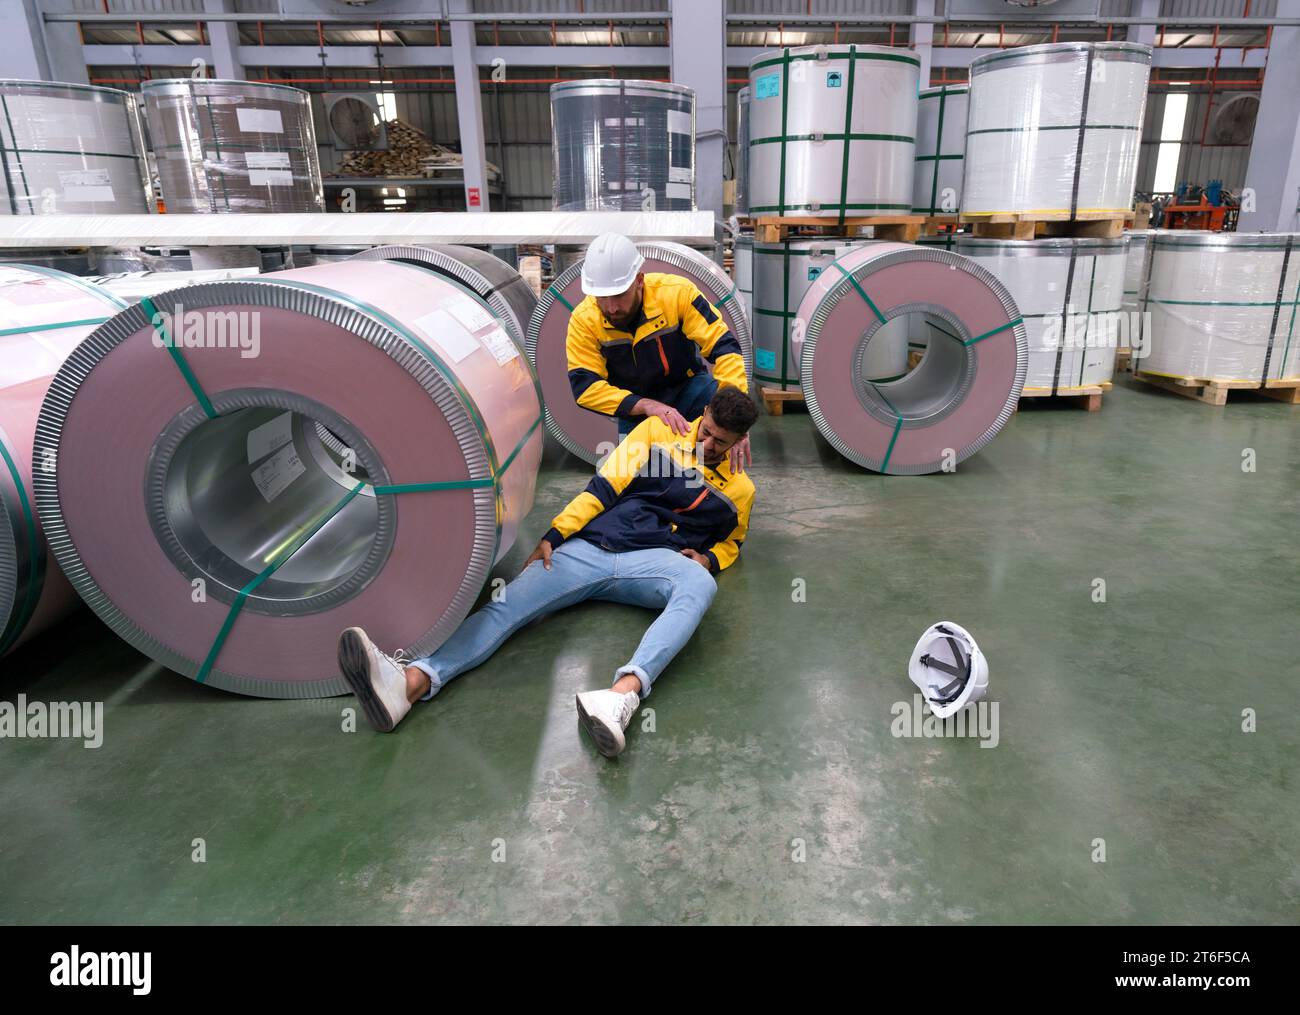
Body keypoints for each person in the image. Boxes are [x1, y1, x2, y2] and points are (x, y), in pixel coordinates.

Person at [337, 385, 759, 757]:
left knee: (699, 586)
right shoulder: (657, 433)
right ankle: (409, 685)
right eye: (705, 430)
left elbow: (732, 541)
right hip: (593, 546)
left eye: (720, 442)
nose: (707, 443)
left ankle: (619, 698)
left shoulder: (741, 489)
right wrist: (555, 536)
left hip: (654, 564)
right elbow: (604, 489)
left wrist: (710, 559)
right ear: (702, 414)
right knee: (507, 605)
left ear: (740, 441)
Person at [567, 232, 752, 472]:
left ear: (639, 280)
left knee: (711, 467)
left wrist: (736, 423)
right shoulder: (584, 321)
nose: (611, 308)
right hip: (636, 405)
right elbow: (585, 387)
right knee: (639, 479)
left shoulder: (677, 293)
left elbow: (724, 347)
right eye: (602, 297)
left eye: (619, 295)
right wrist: (646, 406)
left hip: (690, 389)